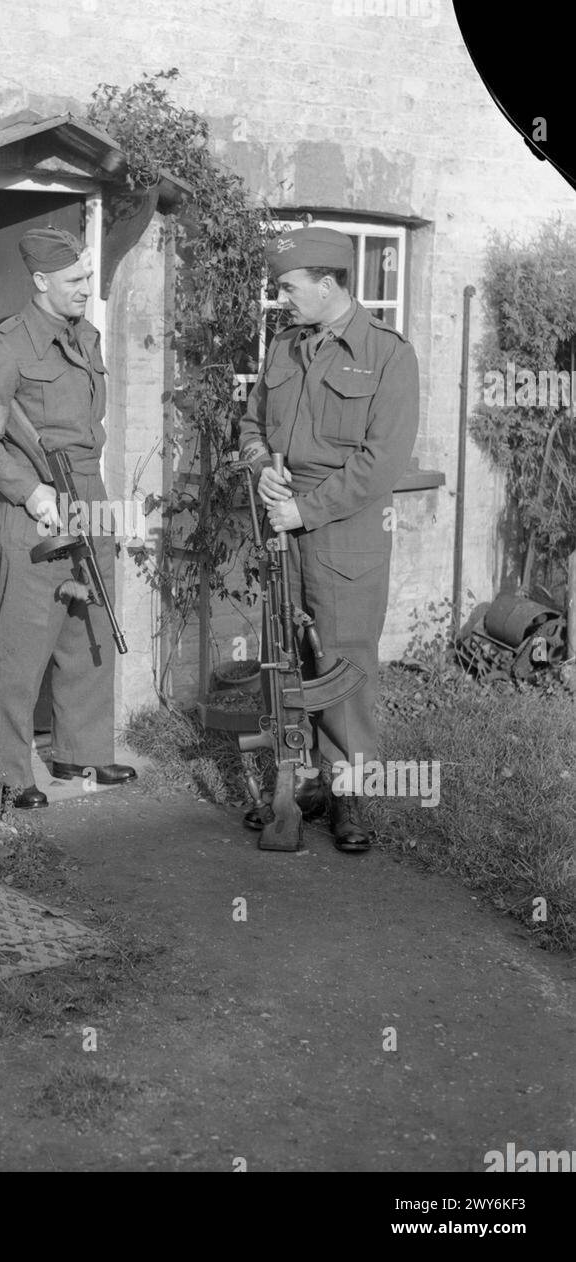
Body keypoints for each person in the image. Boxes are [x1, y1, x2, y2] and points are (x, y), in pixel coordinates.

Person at [238, 226, 419, 851]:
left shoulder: (389, 354)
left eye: (289, 286)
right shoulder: (284, 347)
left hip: (345, 535)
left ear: (328, 283)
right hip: (282, 532)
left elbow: (380, 464)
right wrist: (263, 467)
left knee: (343, 665)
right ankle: (300, 782)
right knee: (286, 662)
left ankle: (350, 798)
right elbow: (251, 424)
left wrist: (303, 510)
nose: (282, 297)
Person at [0, 226, 136, 809]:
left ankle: (81, 751)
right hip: (36, 506)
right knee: (26, 639)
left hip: (89, 491)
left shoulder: (86, 337)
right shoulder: (6, 348)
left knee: (90, 625)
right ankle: (11, 772)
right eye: (75, 280)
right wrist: (30, 492)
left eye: (86, 277)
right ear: (40, 282)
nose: (86, 288)